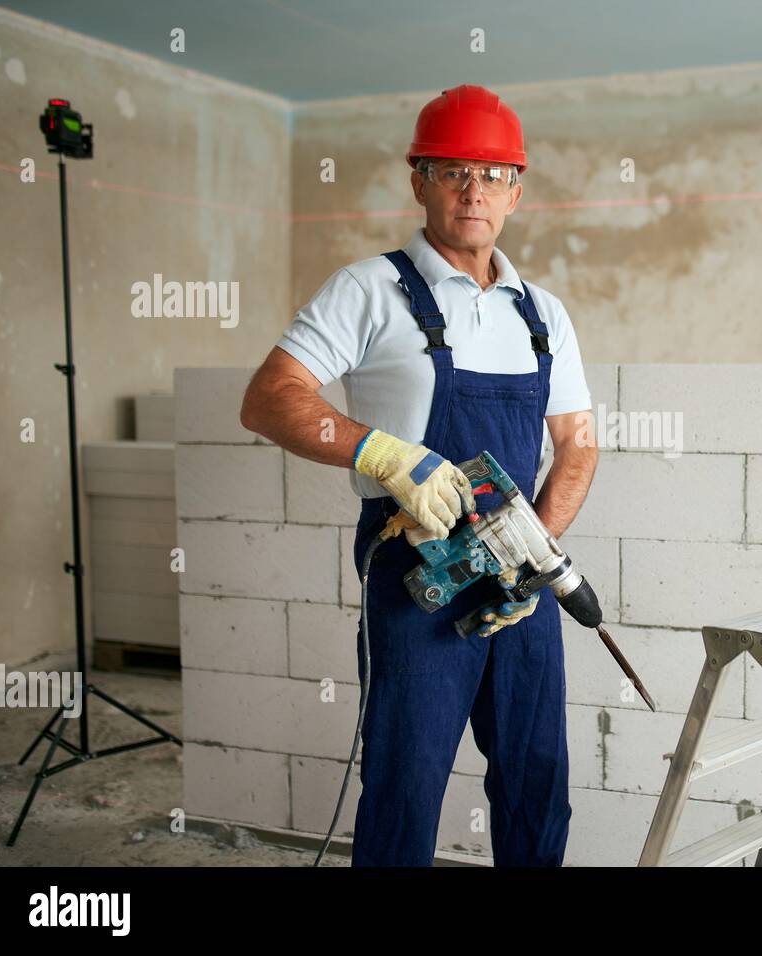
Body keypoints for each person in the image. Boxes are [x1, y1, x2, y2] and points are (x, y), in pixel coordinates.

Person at [239, 84, 598, 866]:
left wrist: (526, 548)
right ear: (420, 182)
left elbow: (576, 444)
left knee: (538, 779)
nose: (475, 190)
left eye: (494, 174)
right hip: (414, 570)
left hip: (521, 574)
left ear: (517, 191)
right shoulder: (368, 289)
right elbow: (269, 400)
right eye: (453, 171)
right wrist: (384, 454)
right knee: (406, 782)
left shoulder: (543, 314)